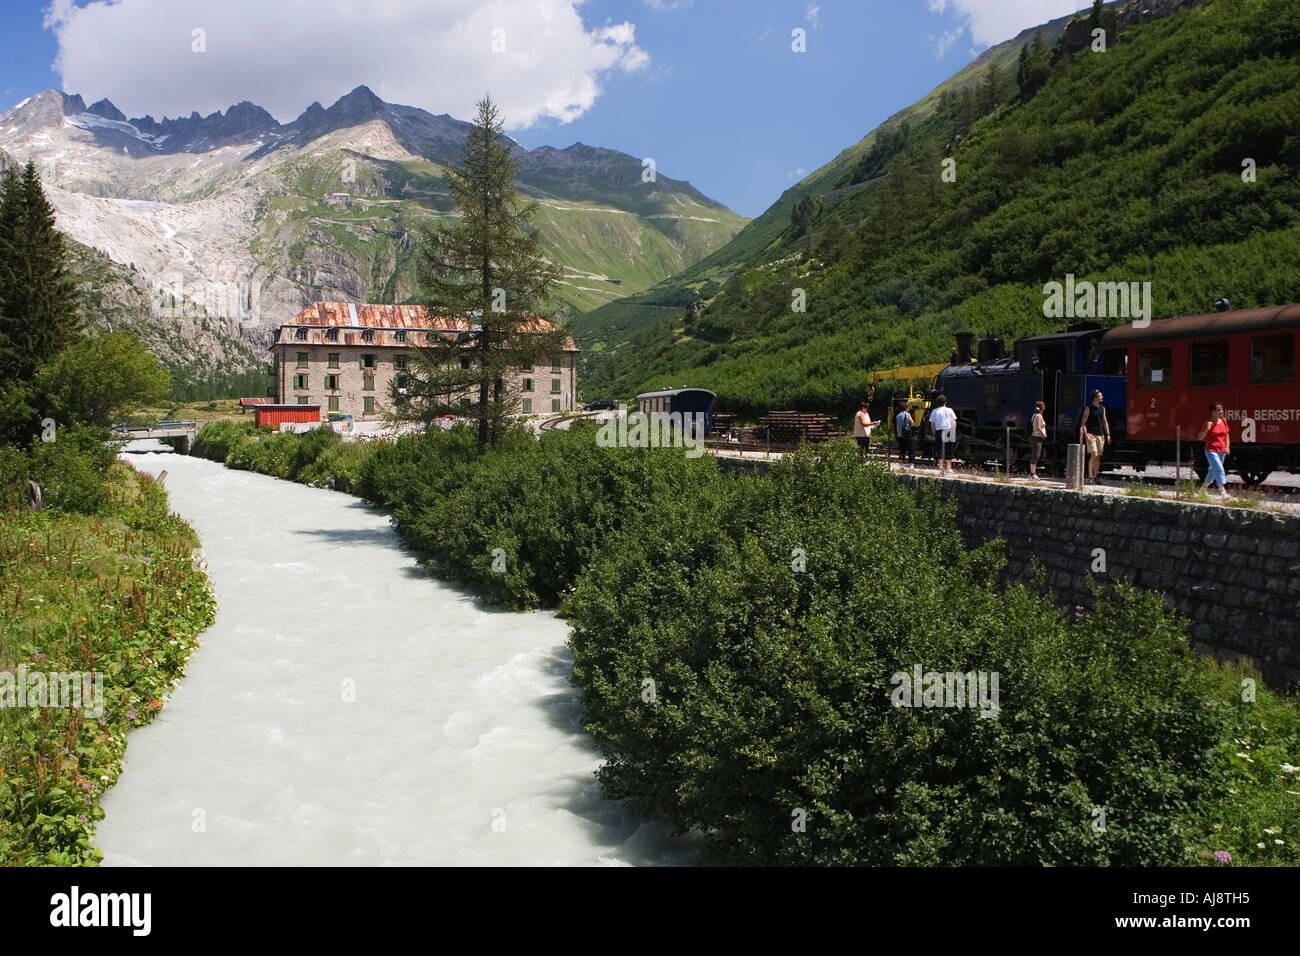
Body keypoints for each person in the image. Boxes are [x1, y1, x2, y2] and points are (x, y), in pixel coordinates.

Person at [1197, 402, 1232, 498]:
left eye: (1221, 409)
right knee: (1219, 469)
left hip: (1221, 450)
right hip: (1211, 450)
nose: (1221, 411)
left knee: (1213, 470)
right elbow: (1200, 437)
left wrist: (1227, 446)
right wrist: (1207, 429)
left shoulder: (1223, 421)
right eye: (1219, 410)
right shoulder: (1208, 423)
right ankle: (1223, 492)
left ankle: (1203, 489)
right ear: (1213, 412)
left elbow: (1226, 434)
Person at [1078, 389, 1110, 484]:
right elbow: (1083, 423)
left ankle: (1095, 477)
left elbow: (1105, 421)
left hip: (1101, 434)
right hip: (1091, 434)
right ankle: (1090, 477)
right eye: (1100, 396)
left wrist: (1108, 434)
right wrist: (1086, 435)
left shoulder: (1102, 408)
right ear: (1095, 398)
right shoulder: (1088, 409)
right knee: (1094, 454)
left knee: (1098, 456)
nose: (1102, 397)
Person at [929, 394, 957, 476]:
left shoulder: (934, 411)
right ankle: (948, 467)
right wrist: (953, 431)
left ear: (938, 402)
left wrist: (934, 432)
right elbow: (953, 422)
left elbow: (932, 424)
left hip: (939, 431)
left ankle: (940, 467)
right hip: (949, 430)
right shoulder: (950, 410)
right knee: (949, 450)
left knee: (940, 449)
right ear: (945, 402)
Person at [1029, 400, 1047, 480]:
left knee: (1036, 455)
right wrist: (1044, 435)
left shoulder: (1034, 415)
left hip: (1035, 437)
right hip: (1037, 438)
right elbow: (1039, 427)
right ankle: (1033, 473)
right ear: (1042, 407)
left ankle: (1033, 473)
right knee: (1035, 455)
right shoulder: (1039, 416)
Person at [894, 400, 916, 466]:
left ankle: (901, 464)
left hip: (900, 435)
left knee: (902, 450)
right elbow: (912, 424)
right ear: (906, 408)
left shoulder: (897, 416)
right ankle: (911, 464)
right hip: (907, 435)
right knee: (911, 450)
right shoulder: (907, 414)